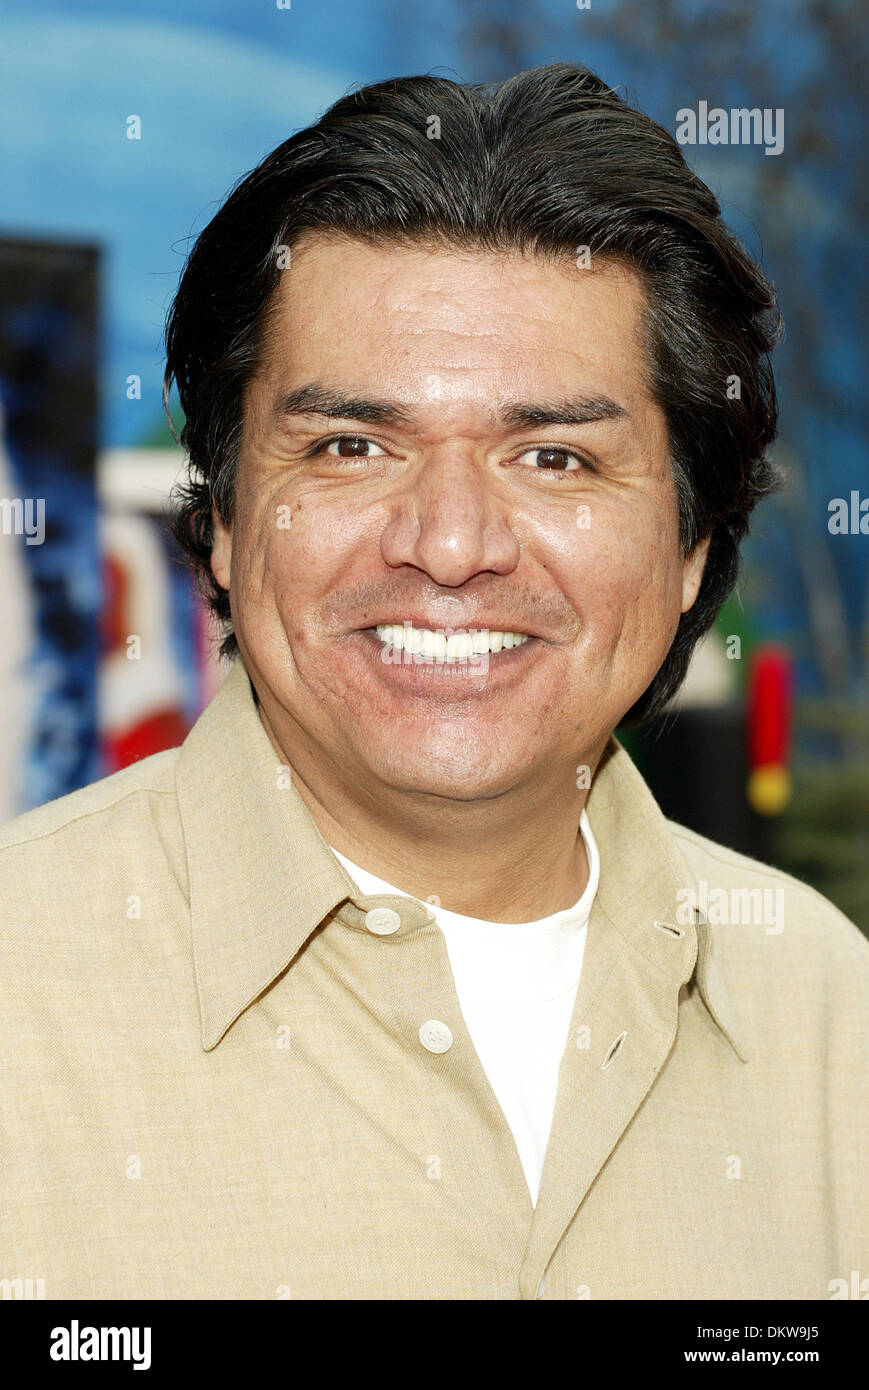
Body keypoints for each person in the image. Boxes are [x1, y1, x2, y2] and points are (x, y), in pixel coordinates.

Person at [1, 63, 866, 1302]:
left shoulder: (830, 1019)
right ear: (229, 522)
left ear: (689, 546)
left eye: (554, 455)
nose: (451, 543)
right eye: (353, 446)